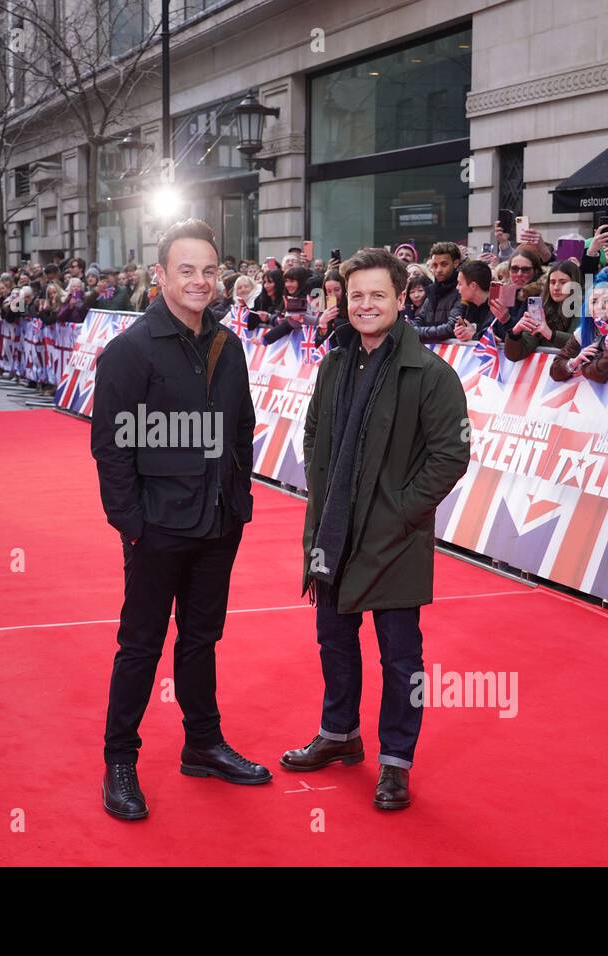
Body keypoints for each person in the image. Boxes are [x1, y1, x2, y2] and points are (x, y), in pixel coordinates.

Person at [281, 247, 469, 811]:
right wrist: (325, 492)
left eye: (377, 295)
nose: (365, 305)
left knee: (399, 658)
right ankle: (339, 734)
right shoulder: (335, 362)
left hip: (394, 539)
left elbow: (451, 454)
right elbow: (313, 434)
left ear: (400, 298)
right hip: (333, 531)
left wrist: (398, 511)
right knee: (333, 642)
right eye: (356, 295)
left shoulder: (431, 373)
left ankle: (396, 762)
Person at [90, 218, 265, 821]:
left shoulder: (227, 343)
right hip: (157, 527)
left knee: (202, 638)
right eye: (185, 270)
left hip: (220, 523)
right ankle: (120, 761)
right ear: (159, 275)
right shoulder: (130, 350)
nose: (198, 280)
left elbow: (241, 426)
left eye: (208, 270)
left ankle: (203, 743)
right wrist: (132, 523)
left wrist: (236, 499)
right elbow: (111, 447)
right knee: (140, 644)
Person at [503, 260, 581, 361]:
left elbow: (580, 344)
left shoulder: (586, 308)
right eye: (552, 282)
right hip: (543, 374)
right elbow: (515, 356)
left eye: (563, 282)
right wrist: (515, 334)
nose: (556, 287)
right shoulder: (542, 308)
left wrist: (549, 333)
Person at [549, 282, 608, 383]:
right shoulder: (581, 332)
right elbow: (555, 371)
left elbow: (601, 372)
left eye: (606, 301)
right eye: (594, 302)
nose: (600, 306)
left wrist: (583, 368)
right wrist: (574, 362)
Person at [411, 242, 462, 341]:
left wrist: (415, 332)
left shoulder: (462, 290)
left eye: (444, 264)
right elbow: (419, 319)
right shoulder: (431, 291)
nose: (438, 270)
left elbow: (450, 328)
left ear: (456, 263)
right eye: (435, 265)